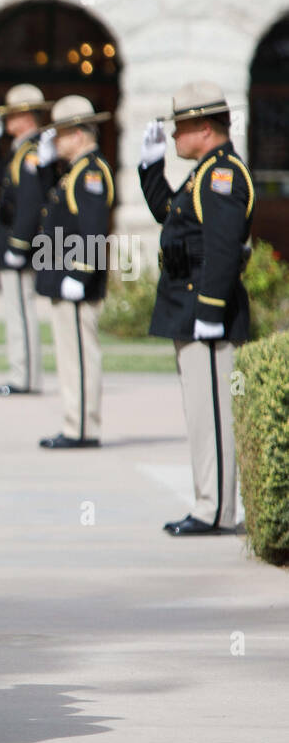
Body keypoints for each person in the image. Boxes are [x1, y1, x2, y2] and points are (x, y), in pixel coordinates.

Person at [139, 82, 253, 536]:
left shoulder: (221, 175)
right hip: (189, 306)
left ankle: (217, 509)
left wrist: (209, 309)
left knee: (214, 415)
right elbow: (169, 213)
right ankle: (211, 502)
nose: (173, 138)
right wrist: (150, 169)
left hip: (206, 310)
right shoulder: (203, 172)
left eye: (179, 129)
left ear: (204, 128)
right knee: (200, 412)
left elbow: (223, 249)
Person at [34, 96, 114, 449]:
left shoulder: (90, 171)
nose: (57, 142)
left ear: (79, 134)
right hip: (65, 278)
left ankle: (82, 427)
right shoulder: (74, 171)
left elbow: (93, 229)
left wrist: (79, 275)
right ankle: (75, 422)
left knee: (80, 356)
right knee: (69, 356)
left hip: (76, 281)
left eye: (62, 134)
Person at [0, 84, 55, 395]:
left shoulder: (31, 151)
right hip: (12, 240)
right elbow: (0, 174)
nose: (7, 122)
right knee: (16, 311)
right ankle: (21, 373)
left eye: (12, 116)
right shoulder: (21, 148)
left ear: (26, 116)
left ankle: (25, 376)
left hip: (18, 243)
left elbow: (29, 201)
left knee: (21, 312)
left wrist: (19, 245)